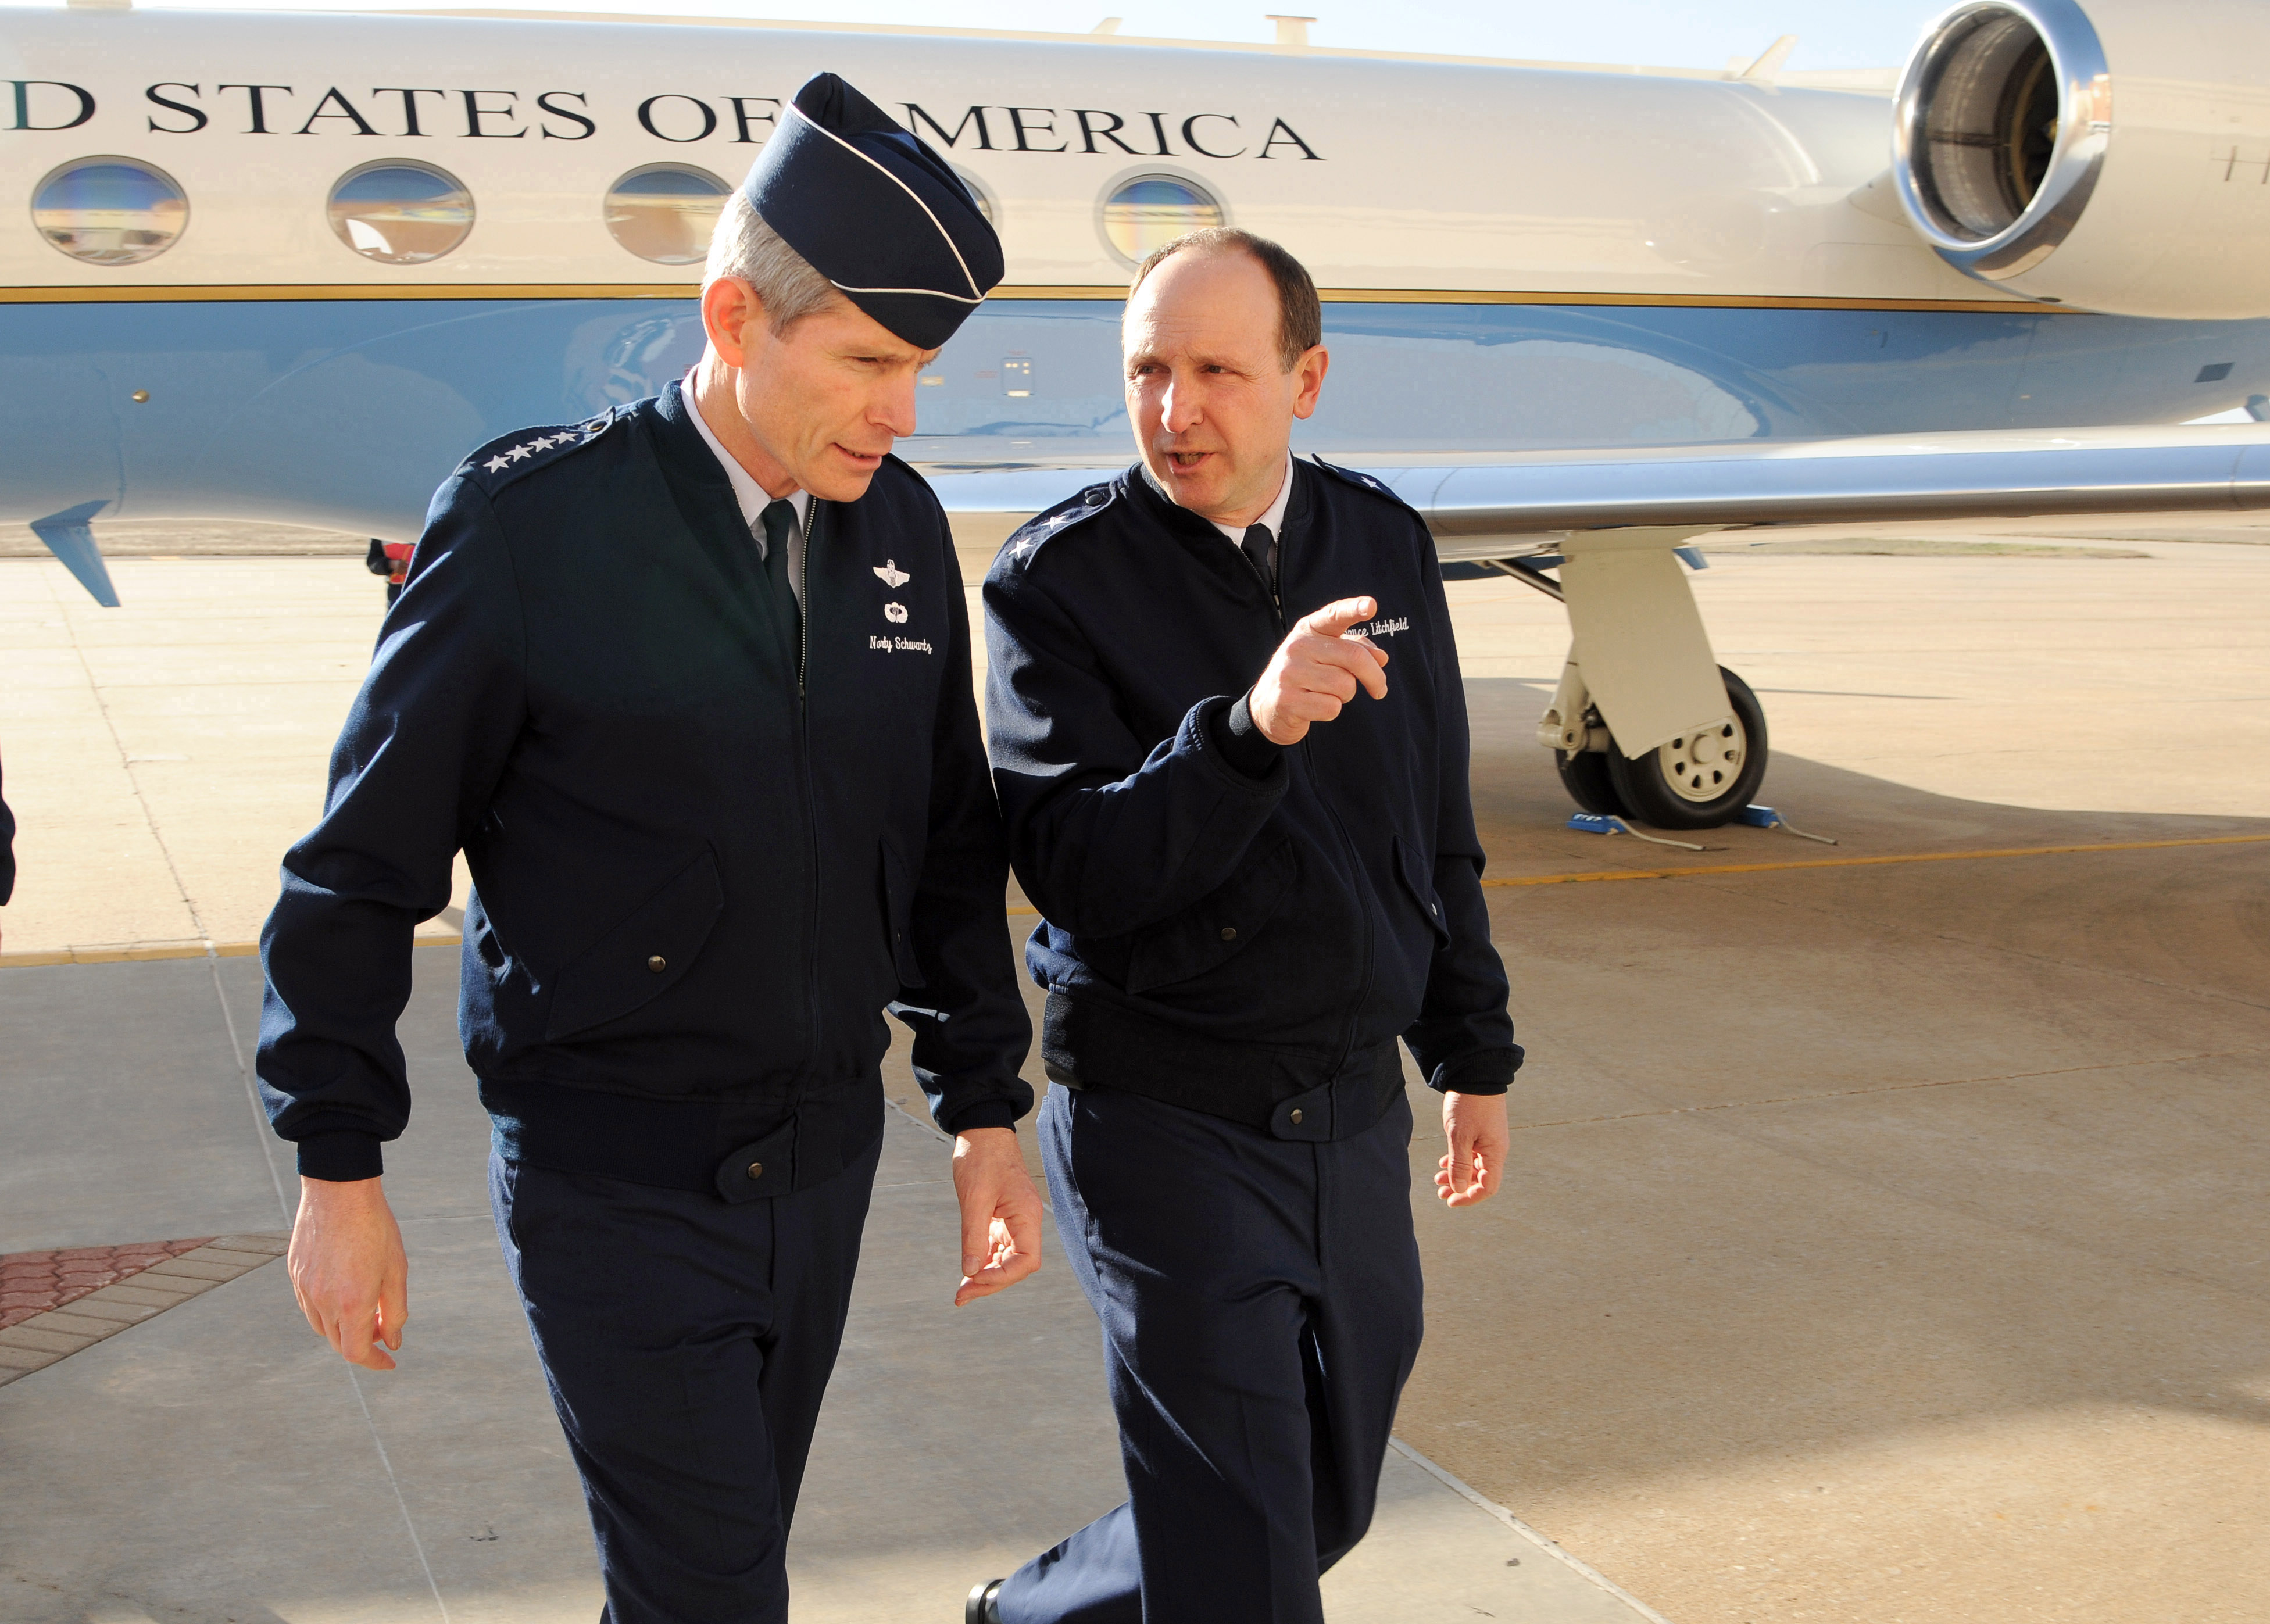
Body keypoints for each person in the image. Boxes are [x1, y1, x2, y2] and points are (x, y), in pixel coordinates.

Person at [257, 74, 1042, 1624]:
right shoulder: (535, 530)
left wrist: (981, 1104)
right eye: (871, 362)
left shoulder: (893, 533)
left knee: (698, 1581)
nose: (903, 411)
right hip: (617, 1186)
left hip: (821, 1169)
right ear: (734, 319)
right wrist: (337, 1170)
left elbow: (945, 842)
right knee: (716, 1599)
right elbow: (358, 867)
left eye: (922, 371)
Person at [972, 228, 1521, 1624]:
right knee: (1244, 1552)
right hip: (1169, 1122)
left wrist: (1472, 1048)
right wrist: (1247, 729)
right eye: (1149, 369)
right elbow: (1079, 866)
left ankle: (1034, 1612)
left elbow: (1430, 818)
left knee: (1322, 1492)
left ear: (1307, 379)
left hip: (1350, 1113)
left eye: (1218, 369)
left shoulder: (1384, 537)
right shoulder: (1058, 582)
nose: (1175, 408)